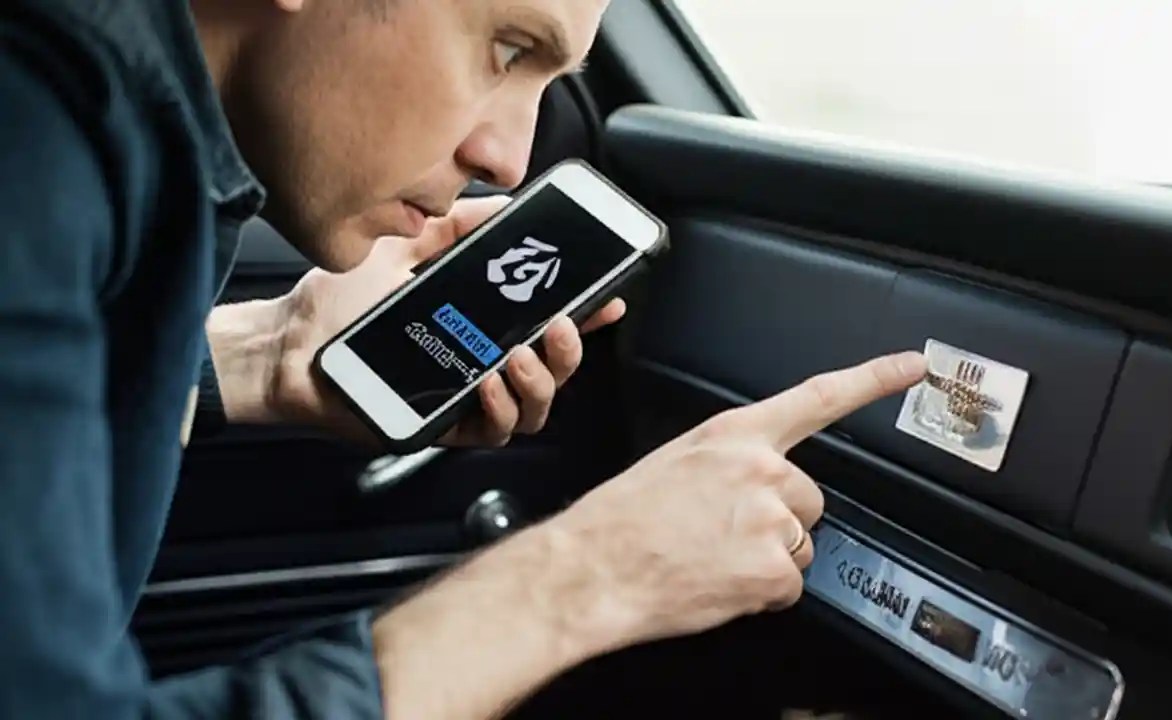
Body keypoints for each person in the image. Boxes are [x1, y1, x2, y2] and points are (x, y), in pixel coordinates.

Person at [0, 0, 928, 717]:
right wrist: (593, 571)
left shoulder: (95, 125)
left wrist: (256, 356)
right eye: (508, 47)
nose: (508, 159)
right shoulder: (29, 139)